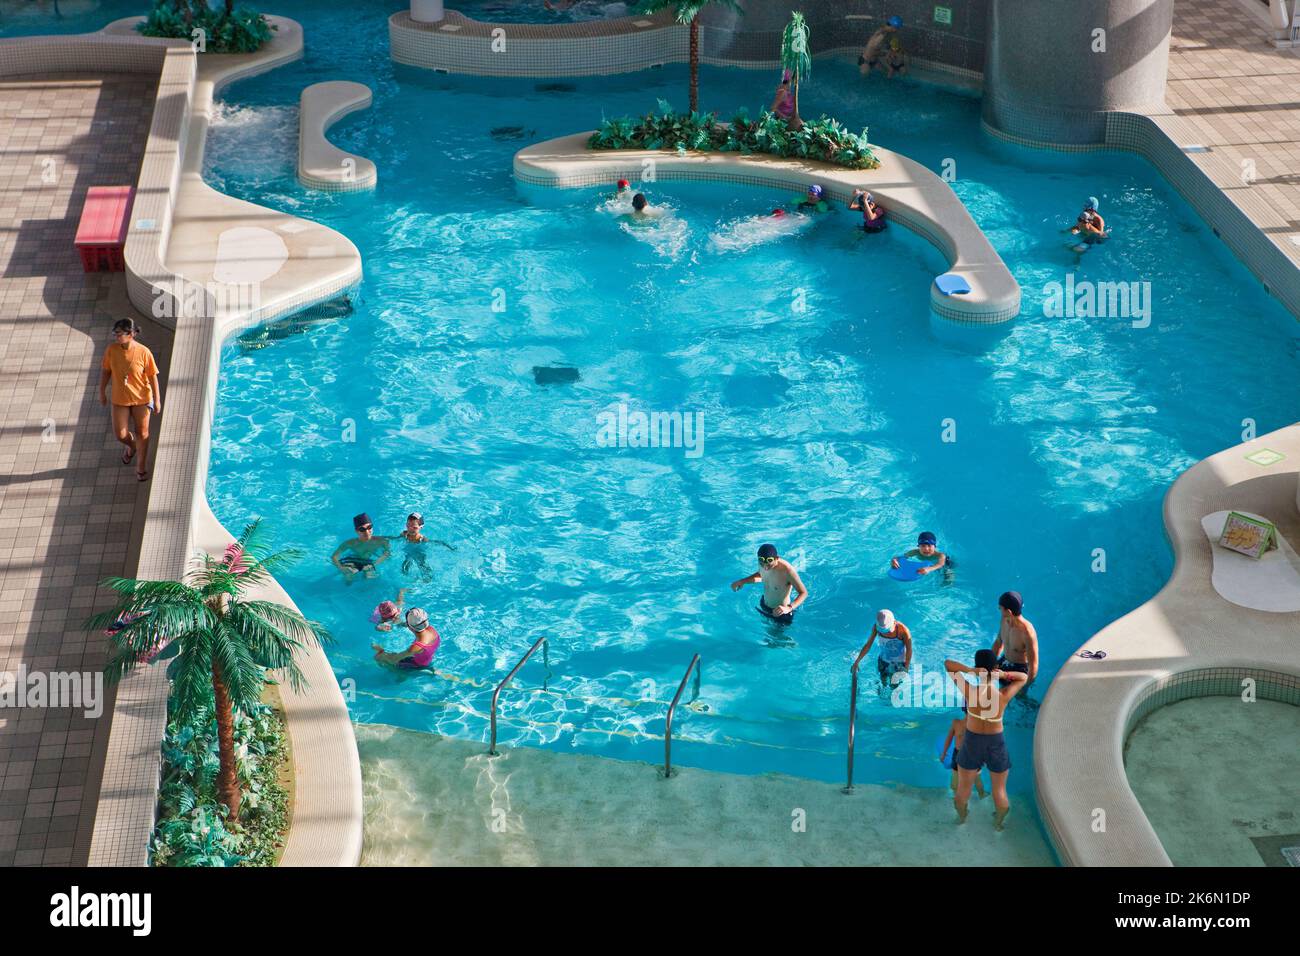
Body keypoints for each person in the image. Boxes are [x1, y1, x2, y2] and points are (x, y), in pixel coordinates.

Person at [944, 649, 1027, 829]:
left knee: (963, 789)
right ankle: (998, 824)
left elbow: (948, 665)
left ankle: (962, 819)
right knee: (999, 790)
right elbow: (1023, 677)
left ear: (977, 667)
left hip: (972, 742)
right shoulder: (1003, 695)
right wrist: (1005, 674)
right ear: (996, 667)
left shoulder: (969, 692)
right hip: (995, 742)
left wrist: (969, 670)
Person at [98, 318, 162, 482]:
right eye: (115, 333)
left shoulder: (144, 352)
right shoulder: (111, 350)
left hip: (142, 397)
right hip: (120, 398)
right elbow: (106, 370)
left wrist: (157, 399)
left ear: (131, 334)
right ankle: (132, 446)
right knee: (120, 434)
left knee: (143, 432)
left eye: (119, 334)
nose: (116, 337)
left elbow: (152, 376)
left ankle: (141, 466)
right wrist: (102, 391)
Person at [730, 543, 808, 625]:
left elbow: (804, 593)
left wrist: (788, 608)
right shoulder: (762, 563)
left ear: (777, 558)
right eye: (762, 564)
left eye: (769, 565)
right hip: (764, 605)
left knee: (777, 637)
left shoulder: (787, 571)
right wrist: (742, 581)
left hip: (781, 612)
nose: (765, 568)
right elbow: (761, 576)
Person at [991, 590, 1038, 686]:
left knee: (1013, 697)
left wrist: (1024, 687)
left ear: (1008, 611)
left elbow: (1033, 666)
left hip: (1019, 671)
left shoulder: (1027, 633)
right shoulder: (1004, 619)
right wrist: (990, 662)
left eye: (1000, 608)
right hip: (1005, 661)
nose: (998, 609)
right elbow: (999, 642)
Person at [940, 709, 987, 800]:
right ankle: (981, 794)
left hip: (962, 754)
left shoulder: (957, 723)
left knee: (956, 776)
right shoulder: (978, 725)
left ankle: (956, 795)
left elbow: (948, 739)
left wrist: (944, 753)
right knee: (976, 777)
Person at [330, 513, 391, 583]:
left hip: (370, 562)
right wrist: (341, 568)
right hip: (353, 561)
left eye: (369, 527)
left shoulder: (382, 541)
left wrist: (373, 565)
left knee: (370, 578)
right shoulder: (350, 543)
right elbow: (334, 556)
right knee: (348, 578)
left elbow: (387, 554)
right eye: (362, 529)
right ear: (356, 531)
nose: (367, 532)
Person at [373, 607, 441, 670]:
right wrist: (393, 625)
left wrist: (382, 653)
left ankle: (401, 674)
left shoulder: (416, 647)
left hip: (417, 665)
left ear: (409, 627)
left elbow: (394, 659)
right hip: (427, 658)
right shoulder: (431, 629)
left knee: (379, 658)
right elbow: (413, 624)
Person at [860, 608, 912, 689]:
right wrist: (857, 662)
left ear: (894, 622)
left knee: (894, 686)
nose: (886, 634)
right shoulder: (876, 628)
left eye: (888, 630)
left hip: (899, 663)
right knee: (882, 683)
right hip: (883, 660)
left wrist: (906, 668)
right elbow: (868, 645)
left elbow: (909, 650)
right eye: (883, 631)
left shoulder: (903, 631)